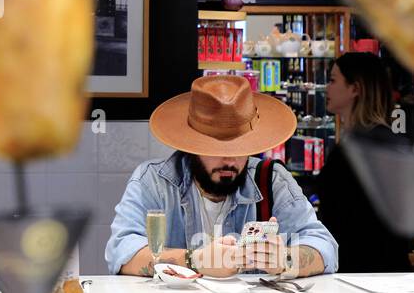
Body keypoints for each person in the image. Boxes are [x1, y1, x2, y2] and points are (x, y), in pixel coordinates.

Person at [105, 74, 338, 278]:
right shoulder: (154, 182)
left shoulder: (272, 180)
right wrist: (196, 261)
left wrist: (285, 260)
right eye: (216, 150)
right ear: (191, 145)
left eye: (239, 150)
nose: (229, 161)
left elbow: (325, 247)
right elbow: (121, 252)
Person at [314, 52, 414, 272]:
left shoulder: (356, 149)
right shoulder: (389, 143)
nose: (327, 88)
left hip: (361, 273)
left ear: (355, 89)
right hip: (387, 272)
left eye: (333, 80)